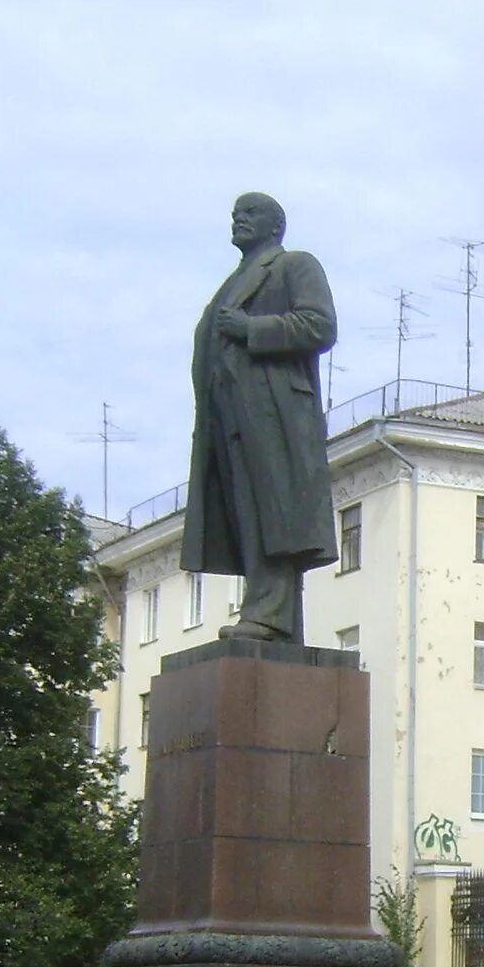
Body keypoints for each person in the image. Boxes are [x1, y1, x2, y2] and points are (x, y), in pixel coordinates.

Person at [182, 192, 340, 645]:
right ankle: (266, 611)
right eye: (235, 214)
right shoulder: (231, 282)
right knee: (246, 515)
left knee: (276, 513)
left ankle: (270, 614)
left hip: (275, 414)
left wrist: (251, 329)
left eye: (250, 213)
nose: (239, 219)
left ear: (276, 225)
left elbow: (319, 325)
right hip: (228, 415)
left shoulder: (295, 265)